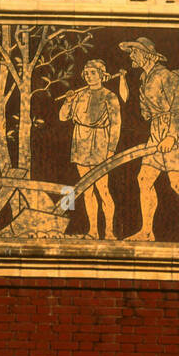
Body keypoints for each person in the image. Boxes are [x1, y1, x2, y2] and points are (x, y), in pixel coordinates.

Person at [118, 38, 179, 243]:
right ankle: (146, 231)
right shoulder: (146, 77)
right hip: (157, 131)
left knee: (178, 183)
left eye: (134, 52)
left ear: (147, 55)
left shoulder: (166, 76)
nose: (131, 56)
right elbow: (148, 111)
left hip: (176, 131)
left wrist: (172, 135)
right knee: (144, 179)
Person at [58, 59, 121, 239]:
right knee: (87, 189)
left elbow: (116, 124)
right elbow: (63, 117)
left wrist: (111, 149)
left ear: (102, 74)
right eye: (86, 73)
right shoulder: (79, 95)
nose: (89, 76)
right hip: (80, 142)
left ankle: (109, 231)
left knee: (103, 189)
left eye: (93, 72)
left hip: (100, 142)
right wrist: (68, 101)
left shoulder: (110, 96)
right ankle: (93, 230)